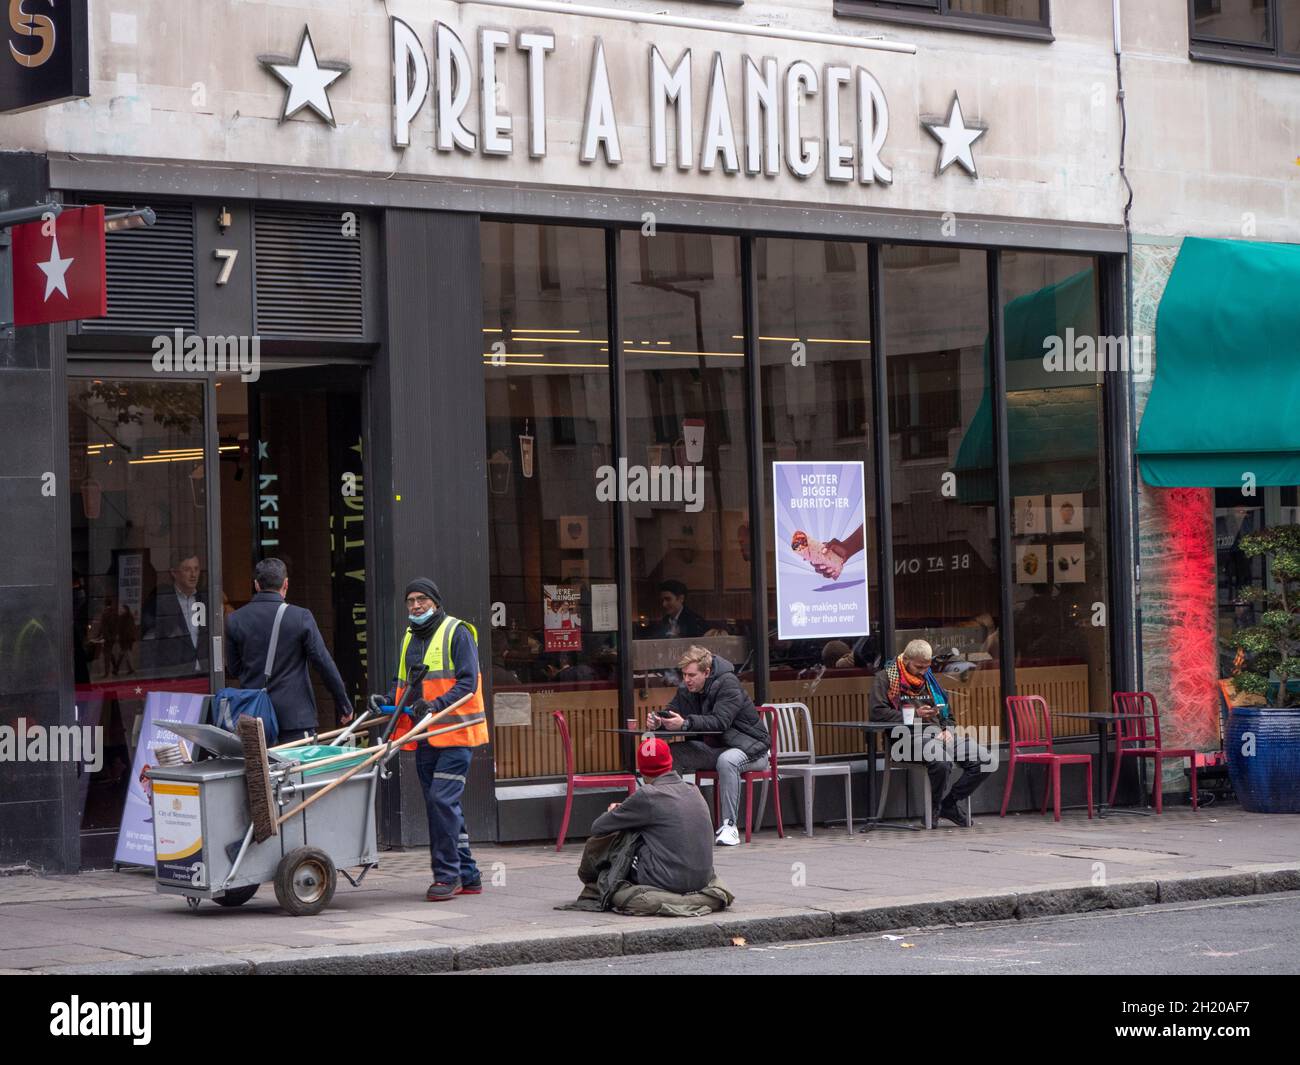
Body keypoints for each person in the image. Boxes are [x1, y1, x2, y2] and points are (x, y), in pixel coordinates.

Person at [383, 577, 489, 902]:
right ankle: (469, 874)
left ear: (436, 602)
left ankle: (448, 876)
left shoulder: (457, 633)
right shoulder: (410, 638)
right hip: (426, 736)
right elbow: (408, 686)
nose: (415, 606)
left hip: (454, 733)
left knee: (442, 801)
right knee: (440, 806)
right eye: (411, 600)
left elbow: (468, 683)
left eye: (422, 600)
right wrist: (386, 700)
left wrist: (435, 706)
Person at [224, 558, 354, 744]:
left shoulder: (234, 619)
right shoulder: (300, 617)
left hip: (254, 717)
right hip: (295, 718)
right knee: (296, 772)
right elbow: (323, 663)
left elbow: (235, 669)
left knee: (258, 771)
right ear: (286, 584)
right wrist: (343, 703)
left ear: (256, 585)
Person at [650, 645, 770, 846]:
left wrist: (686, 723)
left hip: (751, 748)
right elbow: (673, 712)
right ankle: (676, 821)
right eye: (684, 675)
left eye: (691, 675)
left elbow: (720, 722)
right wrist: (660, 721)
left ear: (706, 672)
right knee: (672, 754)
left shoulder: (728, 683)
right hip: (716, 747)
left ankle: (729, 827)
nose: (686, 679)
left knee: (727, 760)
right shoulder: (688, 688)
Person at [869, 638, 989, 828]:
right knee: (941, 761)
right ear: (906, 659)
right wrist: (914, 714)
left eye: (927, 666)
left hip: (938, 735)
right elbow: (877, 712)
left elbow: (948, 715)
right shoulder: (885, 678)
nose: (924, 671)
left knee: (985, 759)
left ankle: (948, 805)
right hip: (905, 738)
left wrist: (948, 729)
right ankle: (933, 808)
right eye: (919, 667)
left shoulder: (930, 680)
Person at [586, 735, 716, 894]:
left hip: (667, 880)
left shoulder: (647, 795)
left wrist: (614, 812)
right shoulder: (693, 790)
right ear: (670, 763)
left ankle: (596, 884)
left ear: (641, 769)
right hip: (703, 879)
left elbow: (598, 827)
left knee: (625, 836)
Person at [141, 553, 208, 676]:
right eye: (187, 569)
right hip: (174, 675)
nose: (193, 575)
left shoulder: (205, 599)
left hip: (205, 674)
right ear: (174, 573)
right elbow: (149, 640)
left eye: (196, 569)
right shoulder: (160, 600)